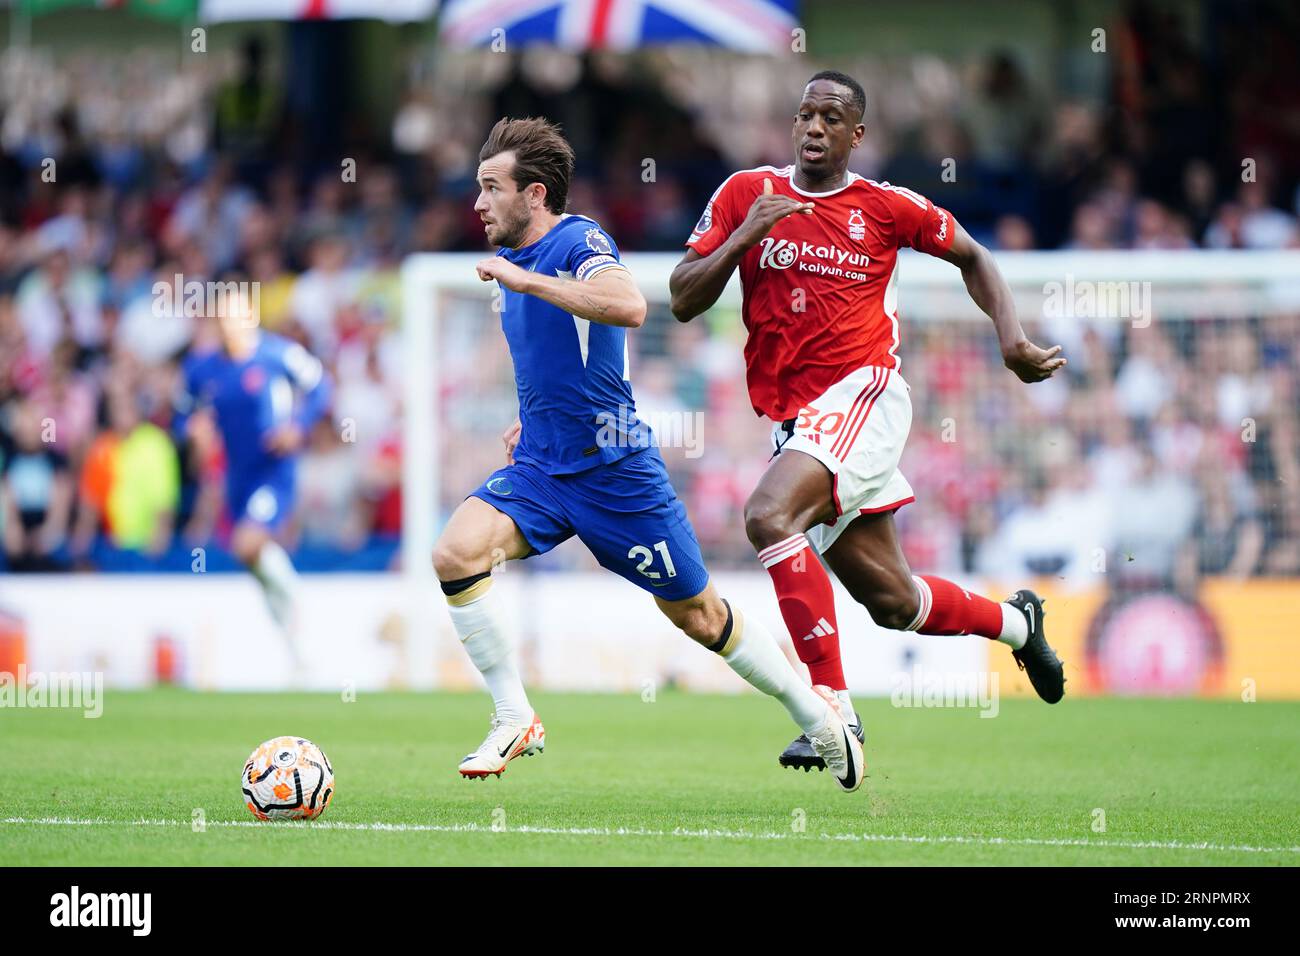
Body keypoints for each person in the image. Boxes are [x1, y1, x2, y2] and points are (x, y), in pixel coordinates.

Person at [434, 117, 864, 791]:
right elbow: (558, 359)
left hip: (615, 469)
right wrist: (529, 419)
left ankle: (816, 715)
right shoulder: (511, 265)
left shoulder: (578, 240)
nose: (479, 203)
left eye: (492, 188)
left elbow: (628, 305)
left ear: (536, 194)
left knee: (699, 615)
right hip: (544, 466)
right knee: (455, 552)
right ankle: (513, 714)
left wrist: (529, 284)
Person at [669, 71, 1068, 772]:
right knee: (893, 600)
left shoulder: (885, 207)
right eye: (805, 115)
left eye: (831, 117)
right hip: (798, 423)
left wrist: (1010, 338)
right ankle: (1018, 623)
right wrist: (744, 239)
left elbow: (973, 254)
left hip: (865, 395)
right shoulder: (744, 194)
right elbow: (681, 298)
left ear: (858, 134)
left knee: (768, 516)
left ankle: (831, 709)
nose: (814, 128)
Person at [175, 291, 332, 680]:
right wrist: (191, 430)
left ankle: (297, 606)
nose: (230, 325)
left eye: (236, 316)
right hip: (236, 476)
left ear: (250, 317)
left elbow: (320, 385)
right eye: (223, 318)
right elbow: (182, 412)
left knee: (248, 544)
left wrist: (297, 428)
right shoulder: (202, 368)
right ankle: (298, 651)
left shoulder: (277, 354)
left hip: (274, 470)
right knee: (252, 560)